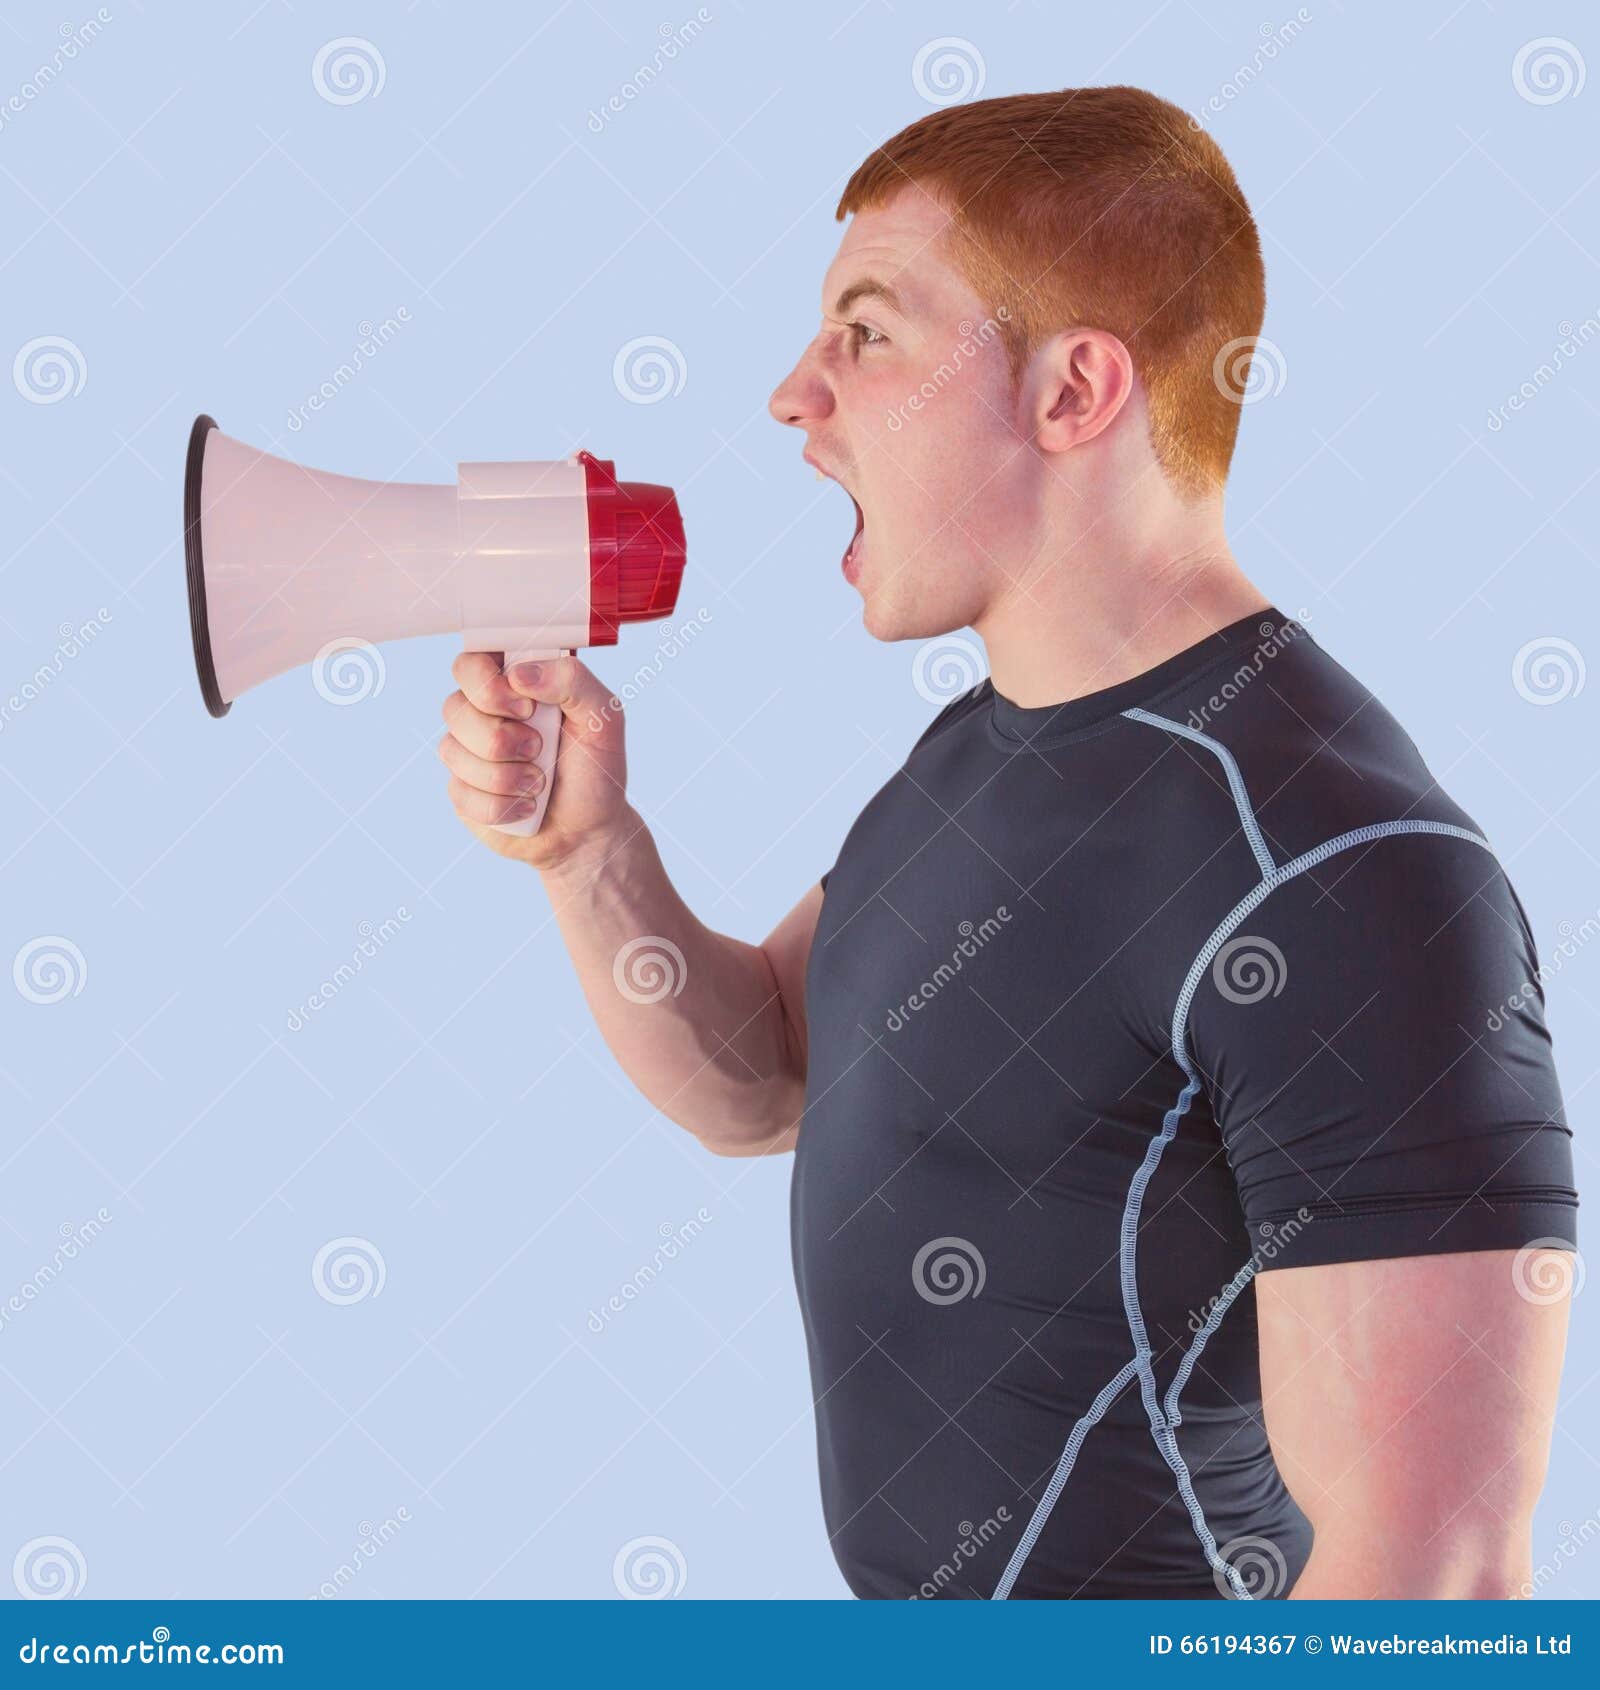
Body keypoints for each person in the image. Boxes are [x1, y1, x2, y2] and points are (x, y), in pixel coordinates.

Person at [436, 86, 1578, 1600]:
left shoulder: (1346, 869)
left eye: (867, 332)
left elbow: (1435, 1576)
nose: (792, 395)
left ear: (1071, 391)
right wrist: (591, 854)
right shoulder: (981, 754)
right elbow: (767, 1075)